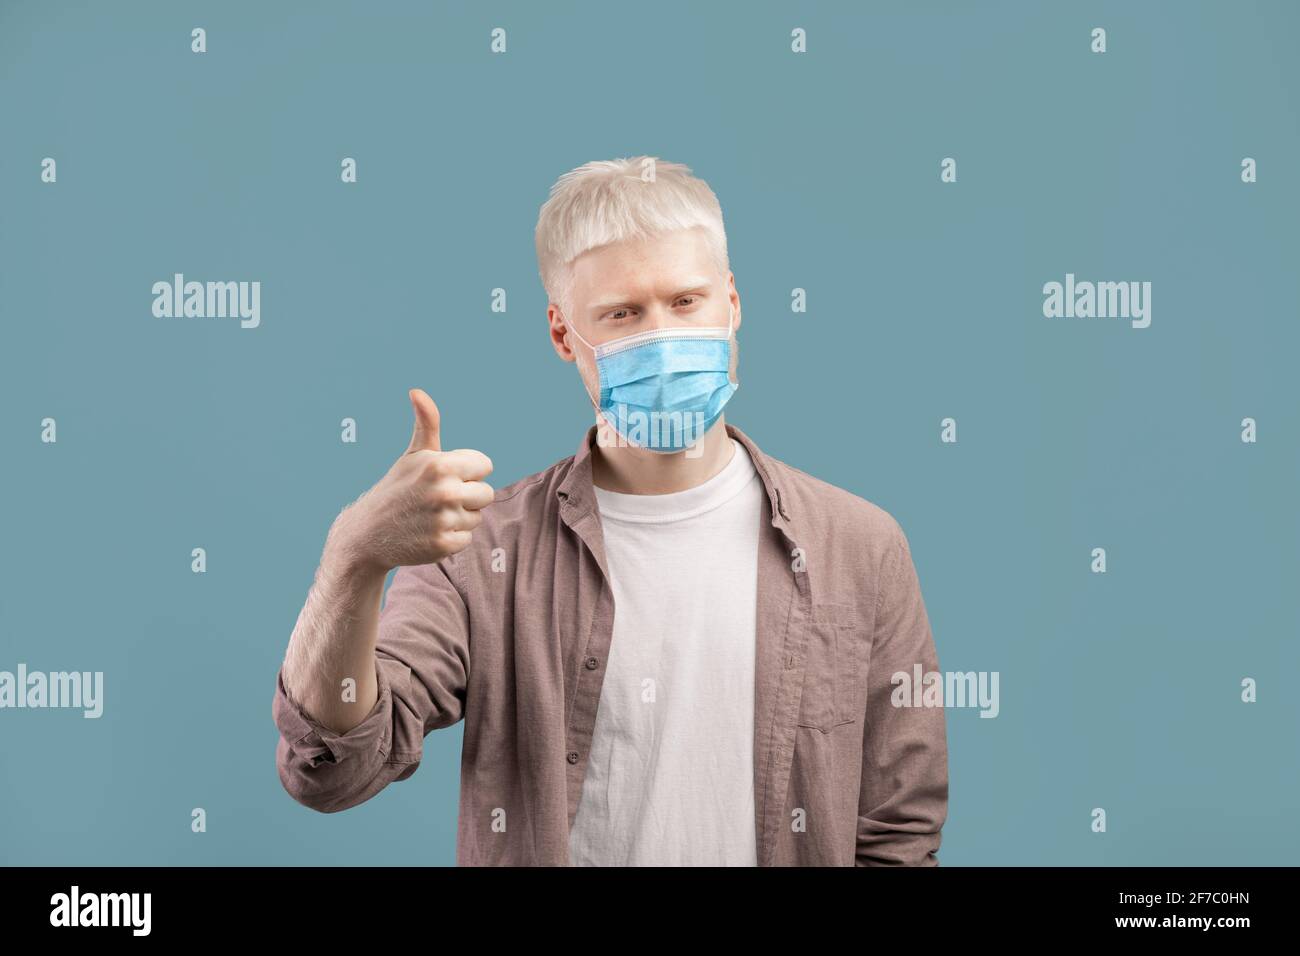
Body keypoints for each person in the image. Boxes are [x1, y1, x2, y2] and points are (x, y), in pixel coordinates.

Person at [272, 156, 948, 866]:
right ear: (564, 335)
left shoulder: (860, 546)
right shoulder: (477, 553)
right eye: (622, 314)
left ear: (732, 302)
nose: (663, 340)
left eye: (685, 302)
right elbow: (332, 770)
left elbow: (898, 831)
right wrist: (354, 559)